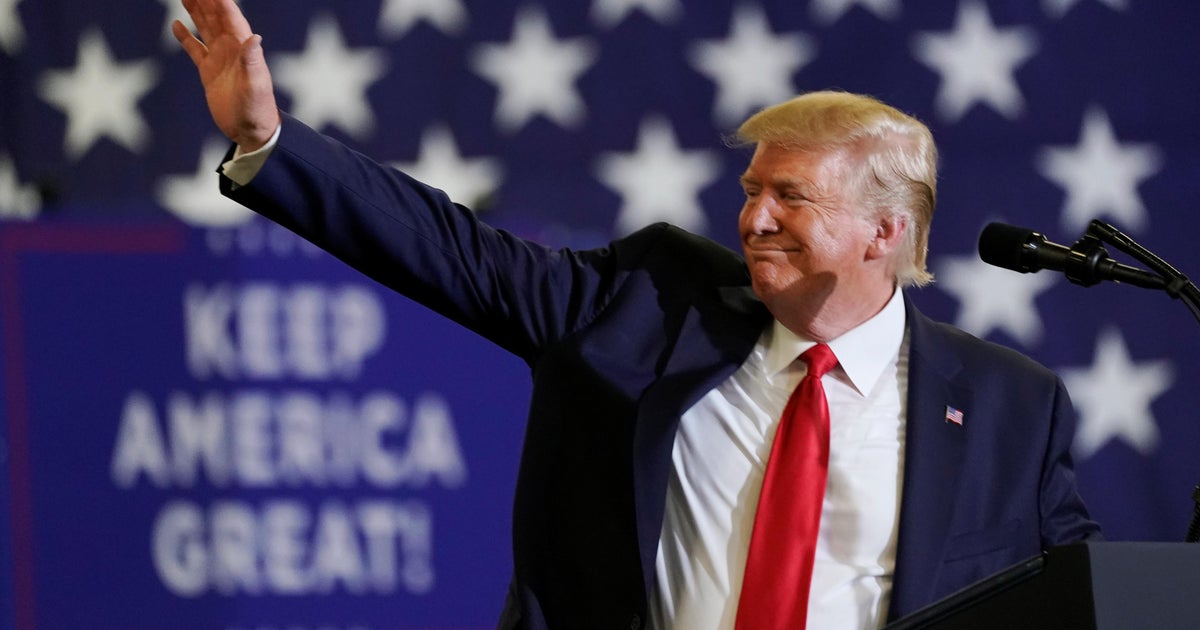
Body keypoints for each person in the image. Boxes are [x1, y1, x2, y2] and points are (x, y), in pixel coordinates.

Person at [173, 1, 1101, 628]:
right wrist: (268, 142)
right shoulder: (647, 310)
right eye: (750, 190)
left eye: (790, 196)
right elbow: (454, 253)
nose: (753, 218)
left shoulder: (1010, 405)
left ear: (885, 232)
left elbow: (1081, 595)